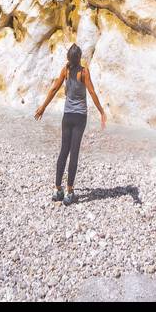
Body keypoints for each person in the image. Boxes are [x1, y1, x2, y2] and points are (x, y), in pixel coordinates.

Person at [35, 43, 106, 204]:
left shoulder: (66, 70)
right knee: (74, 153)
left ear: (68, 57)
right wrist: (101, 111)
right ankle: (69, 191)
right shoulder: (83, 72)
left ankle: (57, 189)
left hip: (67, 116)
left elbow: (53, 89)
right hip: (80, 116)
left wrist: (43, 107)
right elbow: (92, 92)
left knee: (63, 151)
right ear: (79, 57)